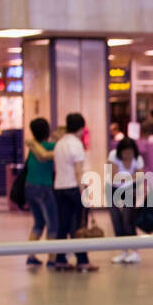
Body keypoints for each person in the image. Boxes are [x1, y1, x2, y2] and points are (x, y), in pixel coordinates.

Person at [51, 112, 96, 271]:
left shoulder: (60, 143)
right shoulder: (76, 144)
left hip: (59, 187)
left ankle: (60, 259)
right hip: (73, 188)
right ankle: (82, 260)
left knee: (63, 226)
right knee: (79, 225)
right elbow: (78, 172)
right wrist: (84, 192)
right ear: (81, 128)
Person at [22, 118, 57, 267]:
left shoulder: (33, 147)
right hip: (43, 188)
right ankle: (52, 259)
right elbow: (45, 156)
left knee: (39, 222)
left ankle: (31, 255)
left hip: (29, 188)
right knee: (53, 224)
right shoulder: (50, 146)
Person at [108, 137, 144, 263]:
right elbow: (114, 178)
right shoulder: (113, 156)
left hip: (129, 191)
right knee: (116, 221)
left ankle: (135, 251)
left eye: (130, 152)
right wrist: (131, 176)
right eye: (125, 153)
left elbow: (140, 177)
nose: (128, 155)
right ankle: (123, 251)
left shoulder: (137, 159)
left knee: (128, 220)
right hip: (113, 191)